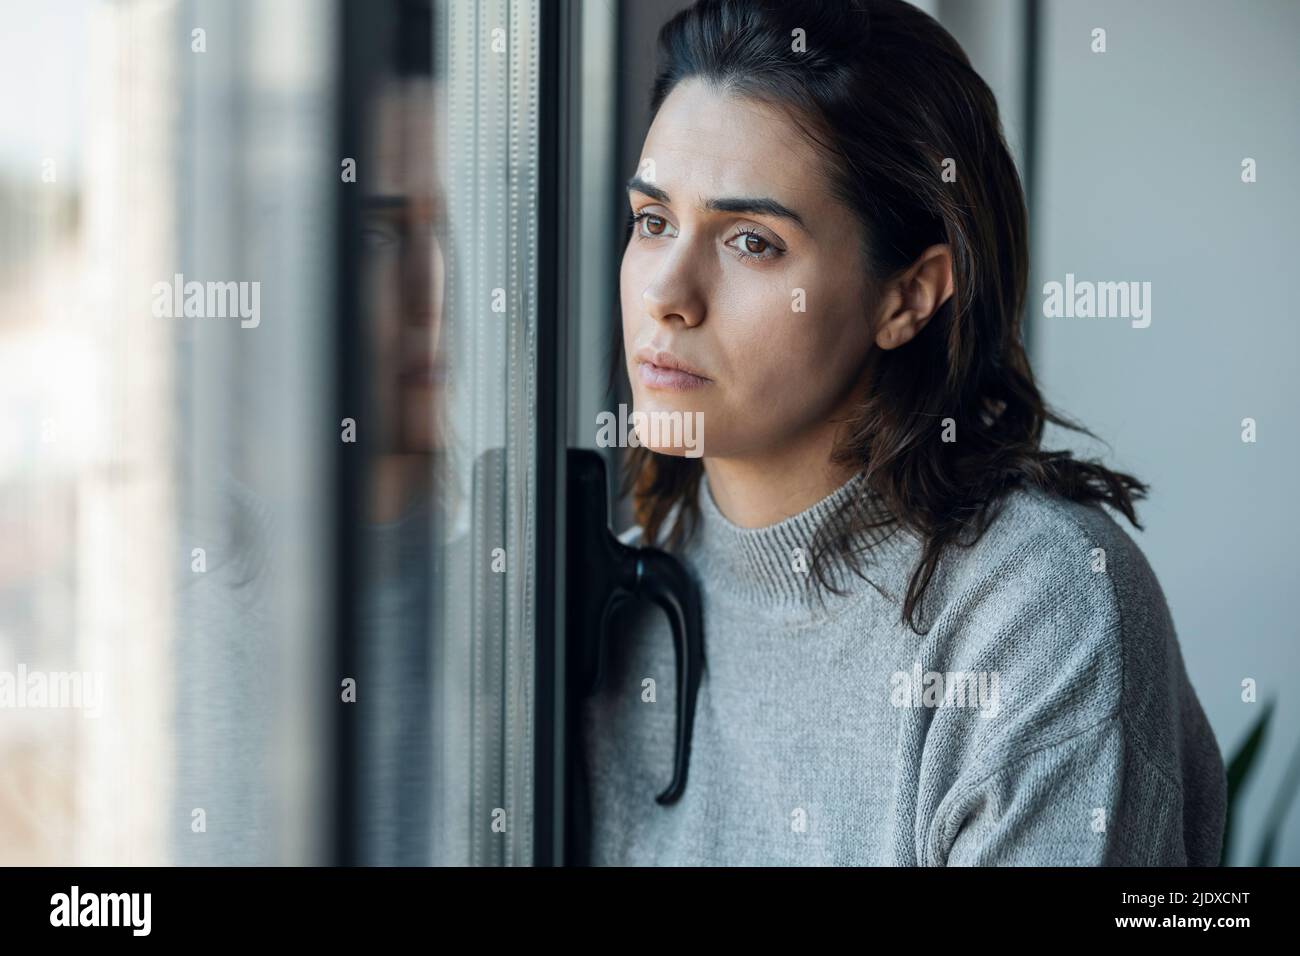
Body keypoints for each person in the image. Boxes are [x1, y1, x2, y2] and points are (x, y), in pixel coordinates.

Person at [582, 0, 1226, 866]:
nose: (667, 292)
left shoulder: (1034, 614)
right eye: (653, 221)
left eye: (750, 242)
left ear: (908, 296)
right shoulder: (616, 584)